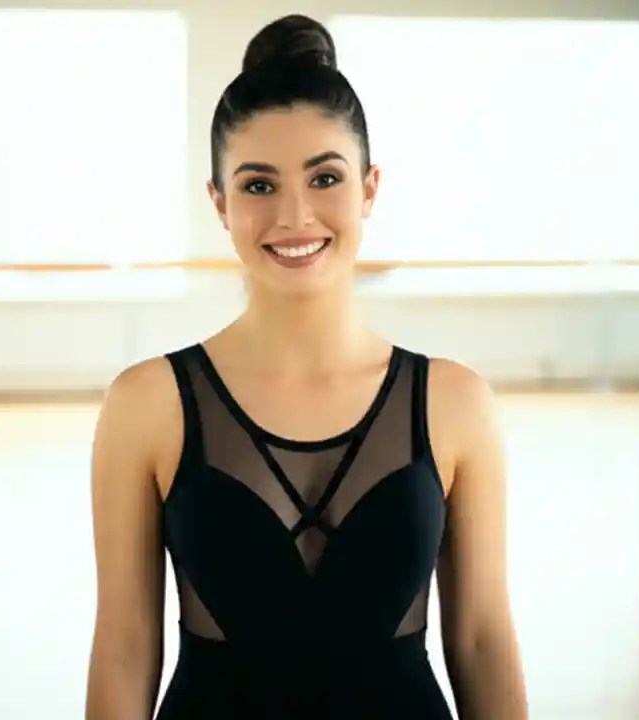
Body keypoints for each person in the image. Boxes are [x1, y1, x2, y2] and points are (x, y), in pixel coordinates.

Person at [86, 13, 526, 719]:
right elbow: (125, 647)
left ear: (370, 189)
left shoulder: (454, 401)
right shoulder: (148, 404)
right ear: (219, 204)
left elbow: (479, 640)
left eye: (325, 177)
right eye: (259, 186)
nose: (295, 214)